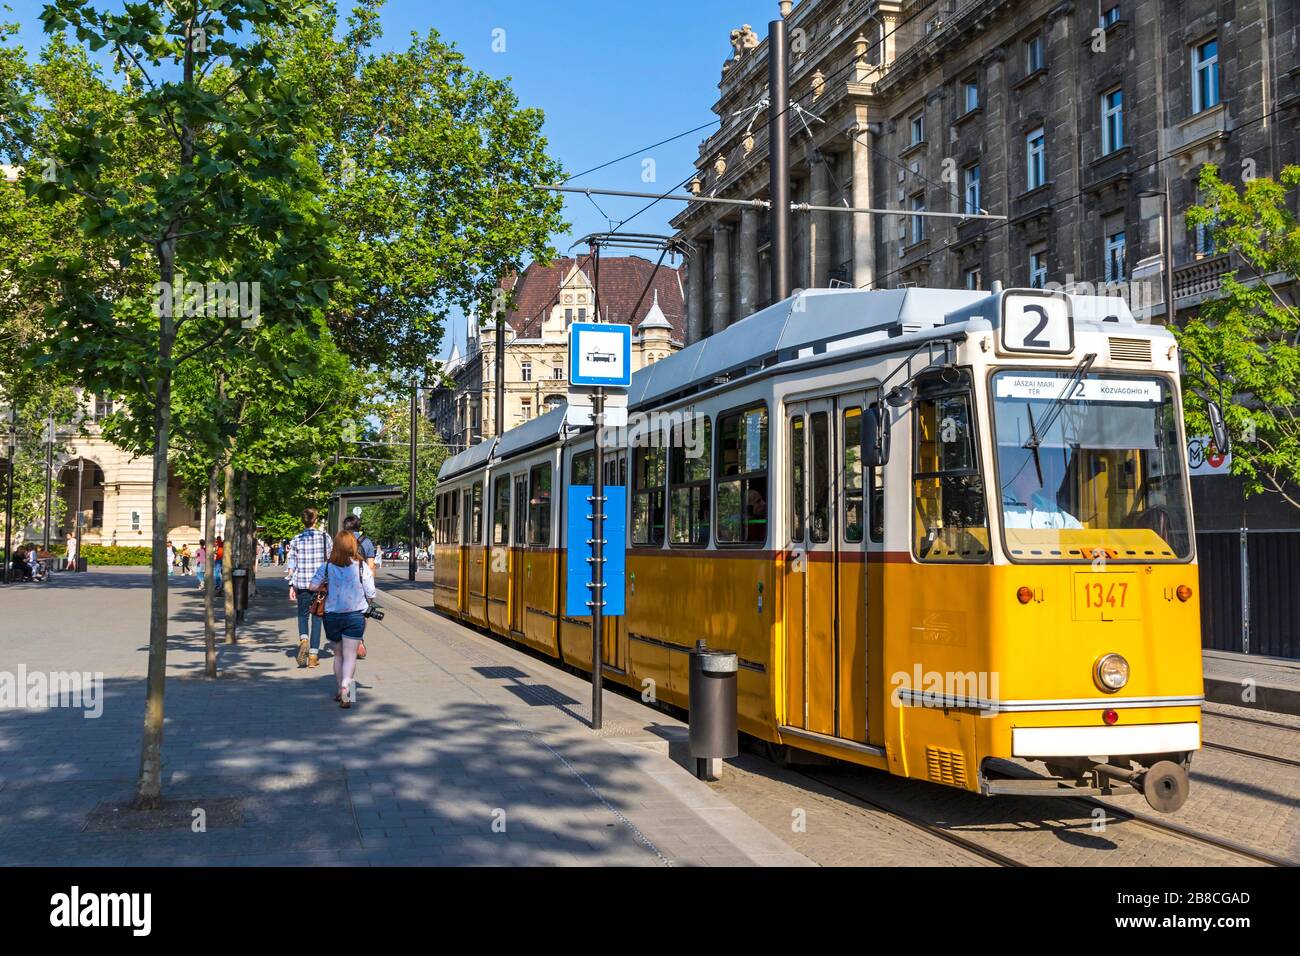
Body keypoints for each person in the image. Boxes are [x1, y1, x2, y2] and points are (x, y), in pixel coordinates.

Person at [308, 531, 376, 709]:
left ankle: (340, 690)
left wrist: (325, 584)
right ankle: (348, 690)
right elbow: (371, 593)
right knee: (351, 656)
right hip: (355, 616)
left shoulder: (327, 567)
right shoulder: (362, 566)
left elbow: (312, 586)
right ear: (353, 546)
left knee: (338, 656)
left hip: (332, 616)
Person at [286, 507, 332, 668]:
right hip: (320, 585)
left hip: (302, 583)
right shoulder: (325, 538)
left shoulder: (296, 539)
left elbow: (291, 564)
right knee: (317, 618)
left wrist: (291, 584)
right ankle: (313, 656)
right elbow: (331, 560)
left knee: (302, 615)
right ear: (316, 520)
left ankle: (303, 639)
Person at [342, 515, 376, 659]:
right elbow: (371, 565)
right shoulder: (367, 542)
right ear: (359, 527)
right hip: (361, 583)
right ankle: (359, 639)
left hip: (343, 582)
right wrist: (370, 584)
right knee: (363, 613)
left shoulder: (341, 540)